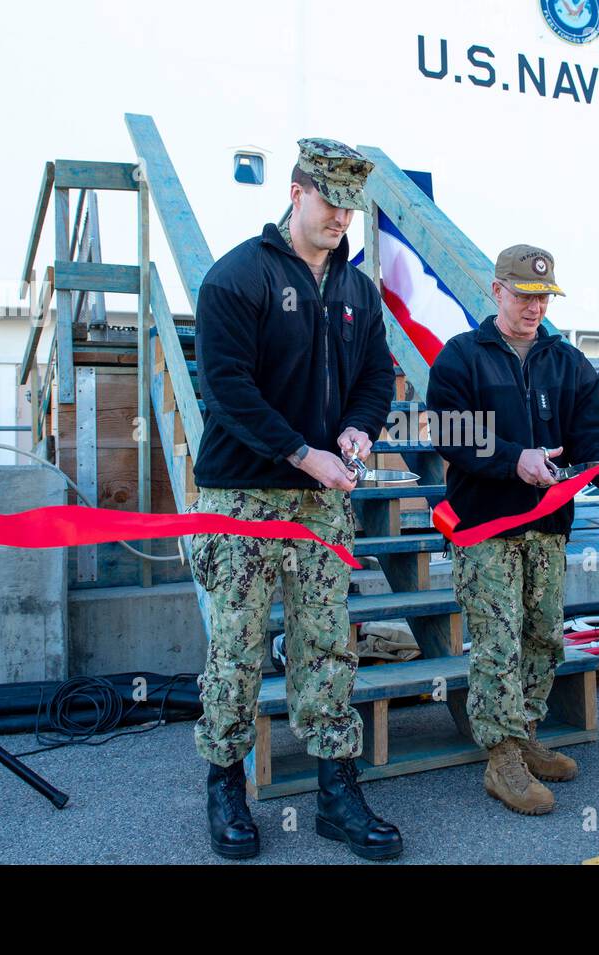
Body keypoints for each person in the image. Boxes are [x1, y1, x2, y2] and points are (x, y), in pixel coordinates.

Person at [189, 138, 403, 860]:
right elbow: (227, 388)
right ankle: (225, 785)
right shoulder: (235, 277)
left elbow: (378, 374)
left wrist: (357, 428)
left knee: (326, 644)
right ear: (296, 190)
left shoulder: (356, 289)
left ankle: (337, 791)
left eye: (352, 205)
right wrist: (302, 451)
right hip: (241, 495)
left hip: (320, 503)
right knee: (237, 648)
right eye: (331, 199)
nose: (343, 215)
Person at [427, 244, 599, 815]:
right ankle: (501, 759)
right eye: (524, 296)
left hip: (548, 528)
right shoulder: (461, 357)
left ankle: (524, 735)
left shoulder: (566, 361)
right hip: (485, 527)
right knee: (497, 640)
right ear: (495, 291)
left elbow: (591, 426)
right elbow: (449, 432)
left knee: (543, 634)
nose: (535, 308)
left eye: (544, 297)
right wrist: (514, 458)